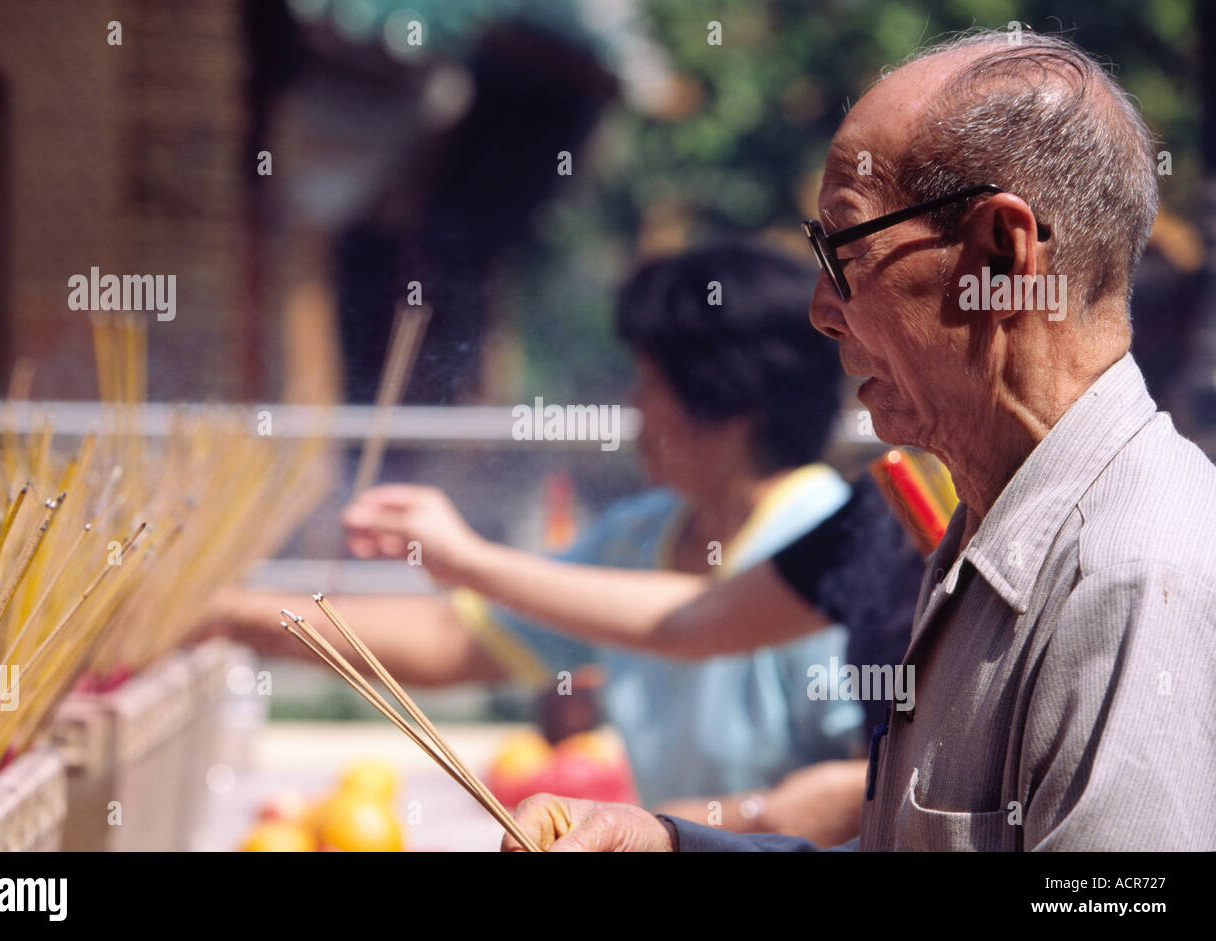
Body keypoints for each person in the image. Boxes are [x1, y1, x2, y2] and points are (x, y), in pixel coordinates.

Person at [500, 29, 1216, 852]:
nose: (820, 307)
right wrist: (670, 842)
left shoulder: (1129, 578)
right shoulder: (992, 536)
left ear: (1000, 253)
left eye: (844, 249)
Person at [214, 243, 922, 844]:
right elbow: (461, 637)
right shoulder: (640, 532)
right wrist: (232, 613)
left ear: (724, 396)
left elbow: (868, 776)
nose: (633, 406)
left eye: (650, 381)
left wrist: (679, 829)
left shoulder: (848, 543)